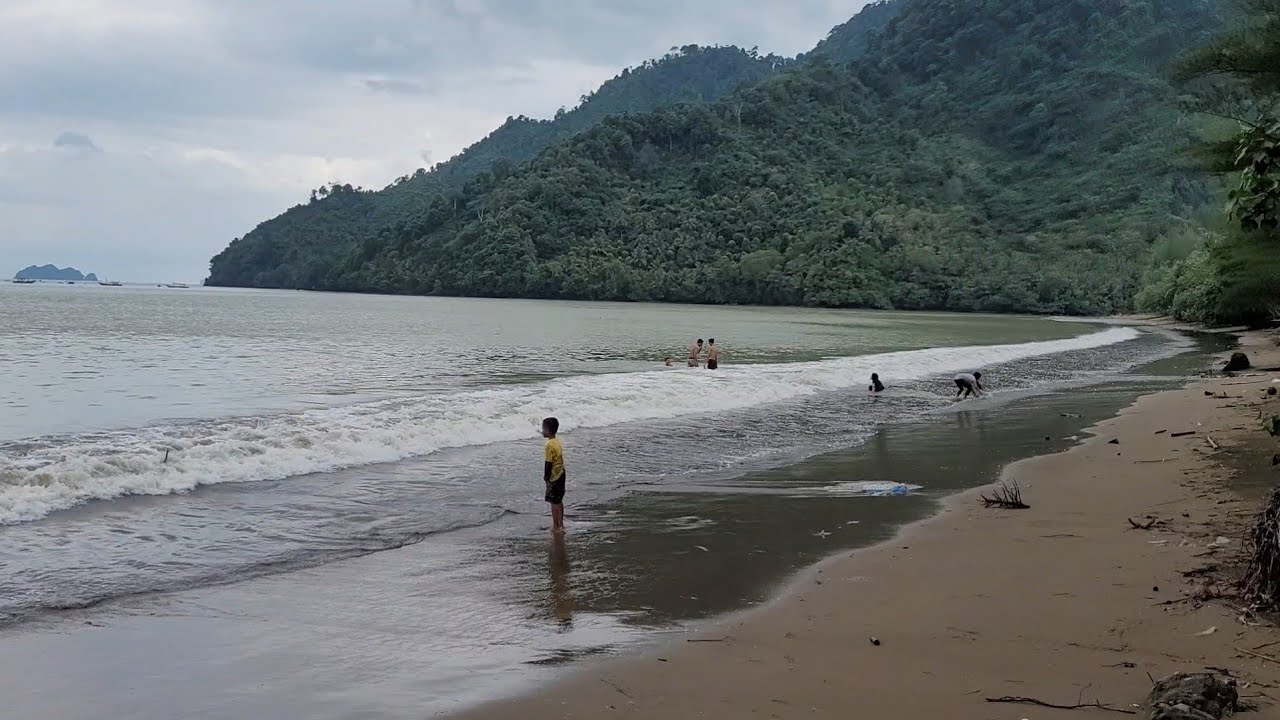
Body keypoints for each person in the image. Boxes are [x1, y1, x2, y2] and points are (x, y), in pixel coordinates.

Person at [541, 417, 566, 534]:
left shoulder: (549, 445)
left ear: (547, 430)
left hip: (554, 476)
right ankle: (561, 524)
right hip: (561, 473)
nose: (542, 431)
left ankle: (556, 526)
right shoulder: (557, 442)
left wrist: (546, 478)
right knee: (559, 500)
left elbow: (548, 463)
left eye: (543, 429)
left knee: (554, 502)